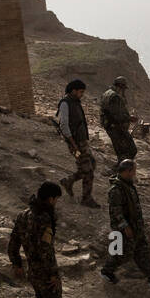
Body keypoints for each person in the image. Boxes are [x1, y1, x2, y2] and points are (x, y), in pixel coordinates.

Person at [8, 181, 77, 298]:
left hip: (33, 271)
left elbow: (13, 243)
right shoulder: (44, 218)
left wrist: (16, 263)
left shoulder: (23, 215)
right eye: (56, 199)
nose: (56, 203)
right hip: (45, 272)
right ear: (51, 198)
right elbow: (46, 250)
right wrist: (53, 273)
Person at [99, 159, 150, 288]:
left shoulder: (127, 185)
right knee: (121, 253)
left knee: (142, 252)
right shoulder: (116, 190)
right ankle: (106, 271)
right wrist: (125, 227)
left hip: (135, 226)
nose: (135, 173)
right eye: (134, 171)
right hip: (123, 229)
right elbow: (116, 211)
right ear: (127, 171)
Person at [56, 79, 100, 208]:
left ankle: (68, 181)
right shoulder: (65, 103)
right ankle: (86, 198)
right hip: (75, 143)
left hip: (81, 142)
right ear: (73, 91)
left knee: (91, 165)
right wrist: (73, 143)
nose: (82, 94)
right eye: (80, 92)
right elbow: (63, 125)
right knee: (88, 170)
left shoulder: (75, 102)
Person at [100, 76, 138, 166]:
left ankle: (120, 169)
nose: (124, 91)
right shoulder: (115, 96)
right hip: (116, 127)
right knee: (131, 150)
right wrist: (129, 118)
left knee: (121, 151)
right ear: (120, 86)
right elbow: (116, 115)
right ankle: (121, 171)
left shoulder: (106, 93)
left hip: (110, 125)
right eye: (123, 88)